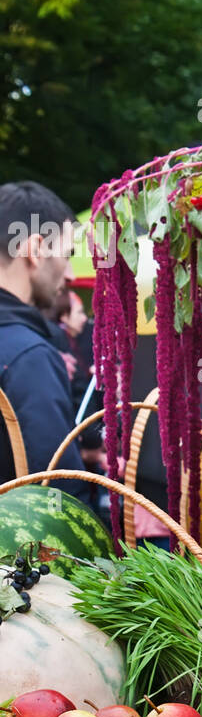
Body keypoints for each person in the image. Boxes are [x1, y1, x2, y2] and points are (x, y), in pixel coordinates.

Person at [0, 181, 90, 492]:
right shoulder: (29, 357)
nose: (69, 275)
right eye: (66, 255)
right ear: (36, 250)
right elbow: (59, 494)